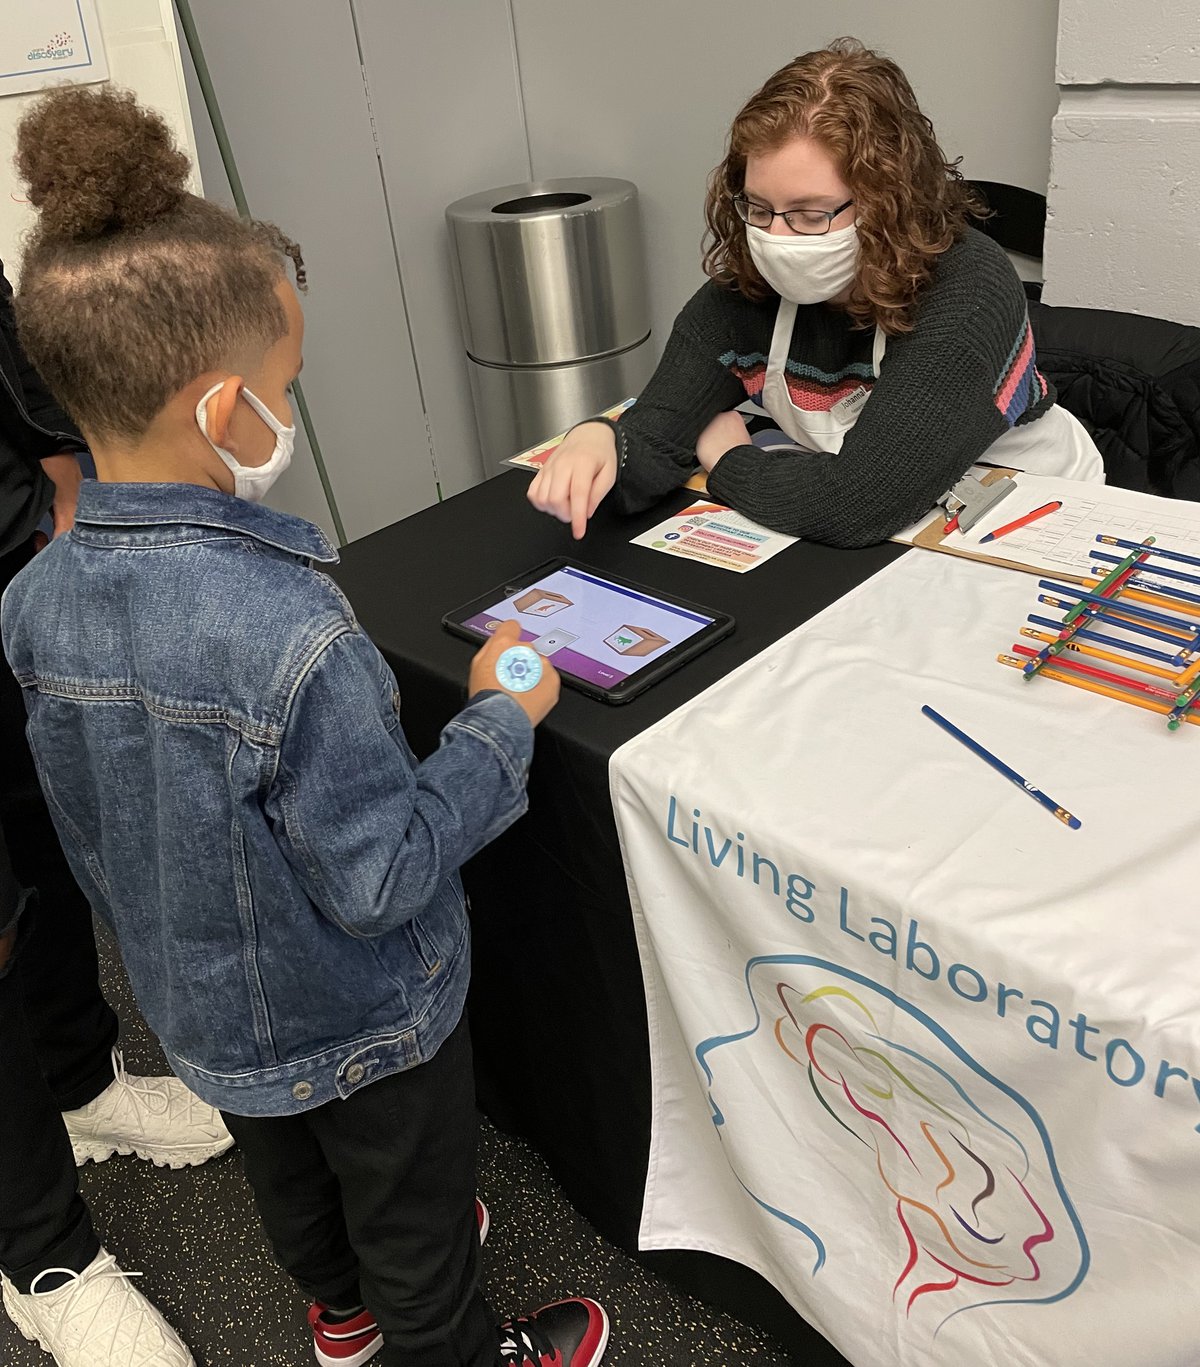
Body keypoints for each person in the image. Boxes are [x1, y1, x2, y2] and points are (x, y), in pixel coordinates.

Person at [2, 85, 609, 1367]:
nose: (294, 405)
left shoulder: (29, 601)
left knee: (294, 1186)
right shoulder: (298, 636)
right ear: (227, 411)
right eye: (288, 384)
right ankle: (441, 1336)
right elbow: (380, 872)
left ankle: (337, 1316)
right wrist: (499, 723)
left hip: (203, 1016)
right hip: (369, 1024)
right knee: (418, 1221)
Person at [528, 38, 1104, 548]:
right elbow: (662, 431)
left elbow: (854, 505)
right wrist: (602, 442)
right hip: (884, 519)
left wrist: (730, 461)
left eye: (809, 215)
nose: (775, 239)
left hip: (1033, 515)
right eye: (759, 208)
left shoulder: (968, 289)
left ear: (888, 200)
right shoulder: (746, 289)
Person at [0, 258, 233, 1367]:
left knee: (37, 832)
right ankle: (42, 1256)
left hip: (12, 555)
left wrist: (67, 474)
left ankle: (81, 1079)